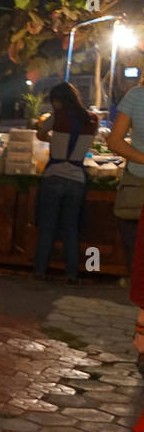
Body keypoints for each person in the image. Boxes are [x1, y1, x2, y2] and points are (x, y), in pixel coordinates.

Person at [33, 83, 97, 282]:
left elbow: (40, 133)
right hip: (76, 178)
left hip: (53, 176)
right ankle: (71, 274)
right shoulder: (92, 119)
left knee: (47, 227)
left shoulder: (57, 116)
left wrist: (53, 140)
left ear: (58, 100)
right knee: (71, 228)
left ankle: (40, 272)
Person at [105, 79, 144, 367]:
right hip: (137, 193)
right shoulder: (136, 96)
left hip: (135, 186)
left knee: (140, 269)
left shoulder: (135, 96)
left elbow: (115, 141)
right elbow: (113, 141)